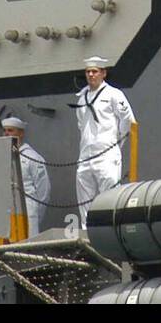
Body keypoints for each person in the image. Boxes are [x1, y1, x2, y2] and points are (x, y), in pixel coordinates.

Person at [70, 56, 136, 228]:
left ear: (103, 73)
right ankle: (87, 231)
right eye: (88, 72)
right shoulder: (82, 98)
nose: (91, 75)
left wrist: (116, 143)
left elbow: (128, 121)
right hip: (85, 155)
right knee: (85, 199)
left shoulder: (114, 94)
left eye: (95, 71)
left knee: (109, 196)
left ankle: (111, 230)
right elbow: (81, 125)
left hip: (106, 154)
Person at [1, 115, 50, 237]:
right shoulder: (1, 157)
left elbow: (43, 190)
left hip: (28, 210)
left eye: (11, 130)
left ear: (21, 133)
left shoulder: (33, 157)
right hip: (8, 212)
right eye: (5, 130)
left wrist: (36, 214)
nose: (6, 134)